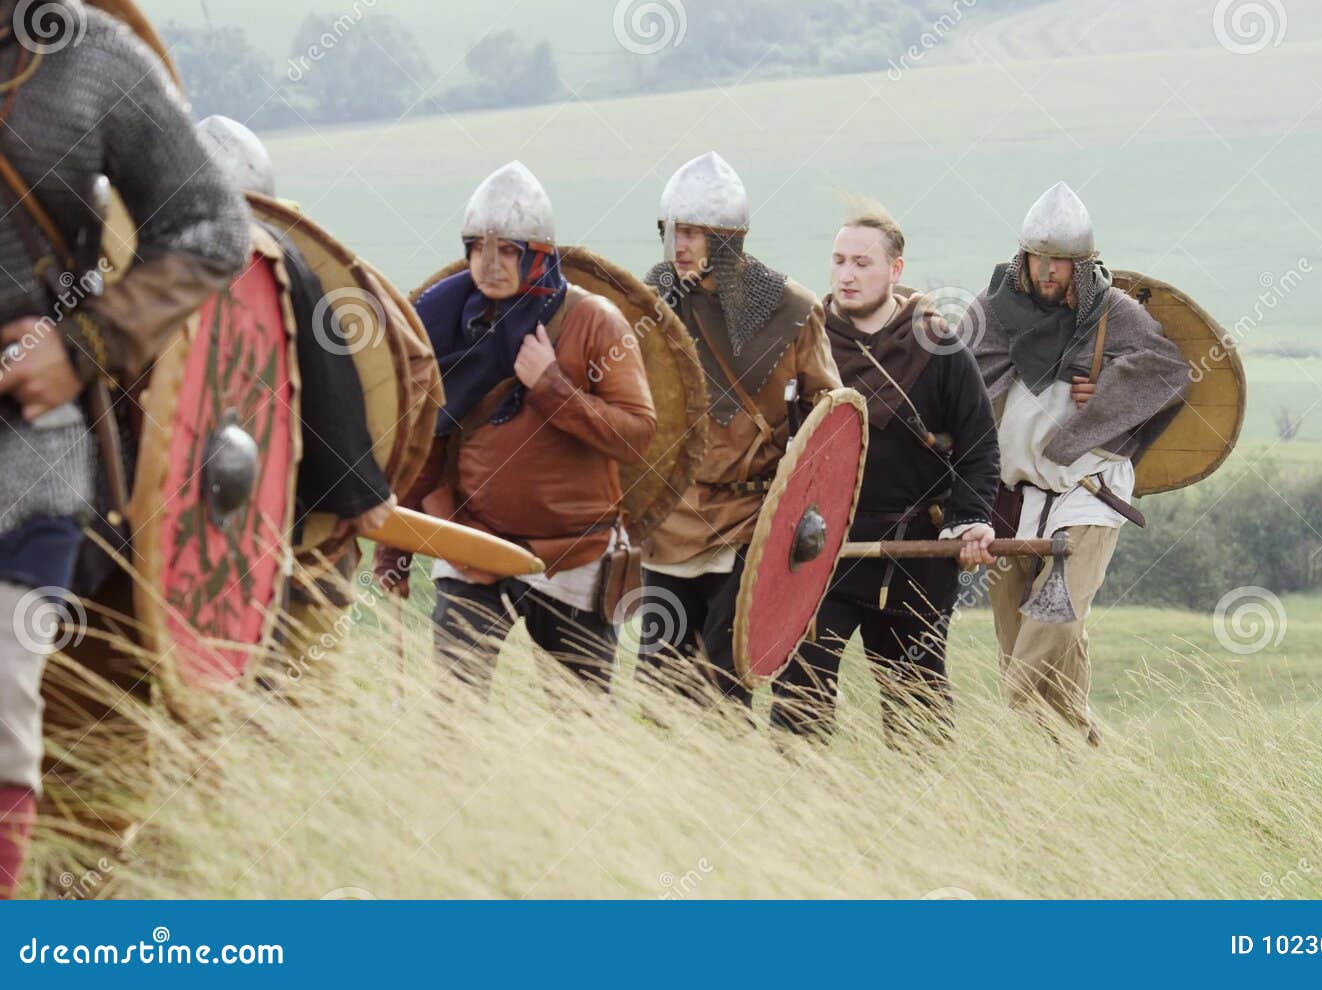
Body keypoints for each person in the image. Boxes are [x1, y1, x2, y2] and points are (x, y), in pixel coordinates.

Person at [0, 2, 251, 896]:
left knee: (0, 701)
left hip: (24, 458)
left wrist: (84, 347)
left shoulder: (86, 59)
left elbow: (212, 227)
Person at [376, 162, 656, 698]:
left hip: (574, 555)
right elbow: (429, 440)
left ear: (539, 256)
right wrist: (399, 544)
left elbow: (636, 435)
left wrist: (552, 388)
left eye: (508, 250)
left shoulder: (594, 321)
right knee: (453, 711)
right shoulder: (445, 319)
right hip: (471, 544)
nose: (490, 263)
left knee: (578, 723)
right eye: (478, 247)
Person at [962, 181, 1190, 746]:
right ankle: (1078, 756)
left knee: (1056, 613)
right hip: (1012, 496)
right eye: (1039, 259)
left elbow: (1168, 370)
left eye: (1061, 262)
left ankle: (1009, 721)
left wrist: (1109, 387)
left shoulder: (1114, 312)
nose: (1048, 272)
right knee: (1019, 635)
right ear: (1023, 258)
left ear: (1081, 265)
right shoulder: (990, 313)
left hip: (1089, 490)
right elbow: (955, 389)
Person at [770, 206, 998, 743]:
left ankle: (917, 815)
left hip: (915, 551)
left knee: (915, 702)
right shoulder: (809, 344)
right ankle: (791, 809)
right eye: (839, 261)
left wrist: (968, 522)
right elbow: (776, 442)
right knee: (799, 687)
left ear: (895, 270)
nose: (846, 275)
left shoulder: (938, 346)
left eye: (862, 263)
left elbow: (980, 445)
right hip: (822, 546)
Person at [635, 152, 840, 710]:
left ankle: (723, 791)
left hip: (752, 520)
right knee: (660, 687)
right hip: (671, 522)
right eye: (671, 231)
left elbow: (827, 419)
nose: (678, 245)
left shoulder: (792, 309)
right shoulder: (648, 304)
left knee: (725, 682)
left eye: (694, 233)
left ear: (728, 238)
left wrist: (808, 510)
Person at [194, 114, 395, 682]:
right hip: (197, 497)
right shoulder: (163, 263)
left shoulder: (278, 264)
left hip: (272, 499)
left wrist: (357, 491)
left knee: (274, 665)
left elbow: (323, 383)